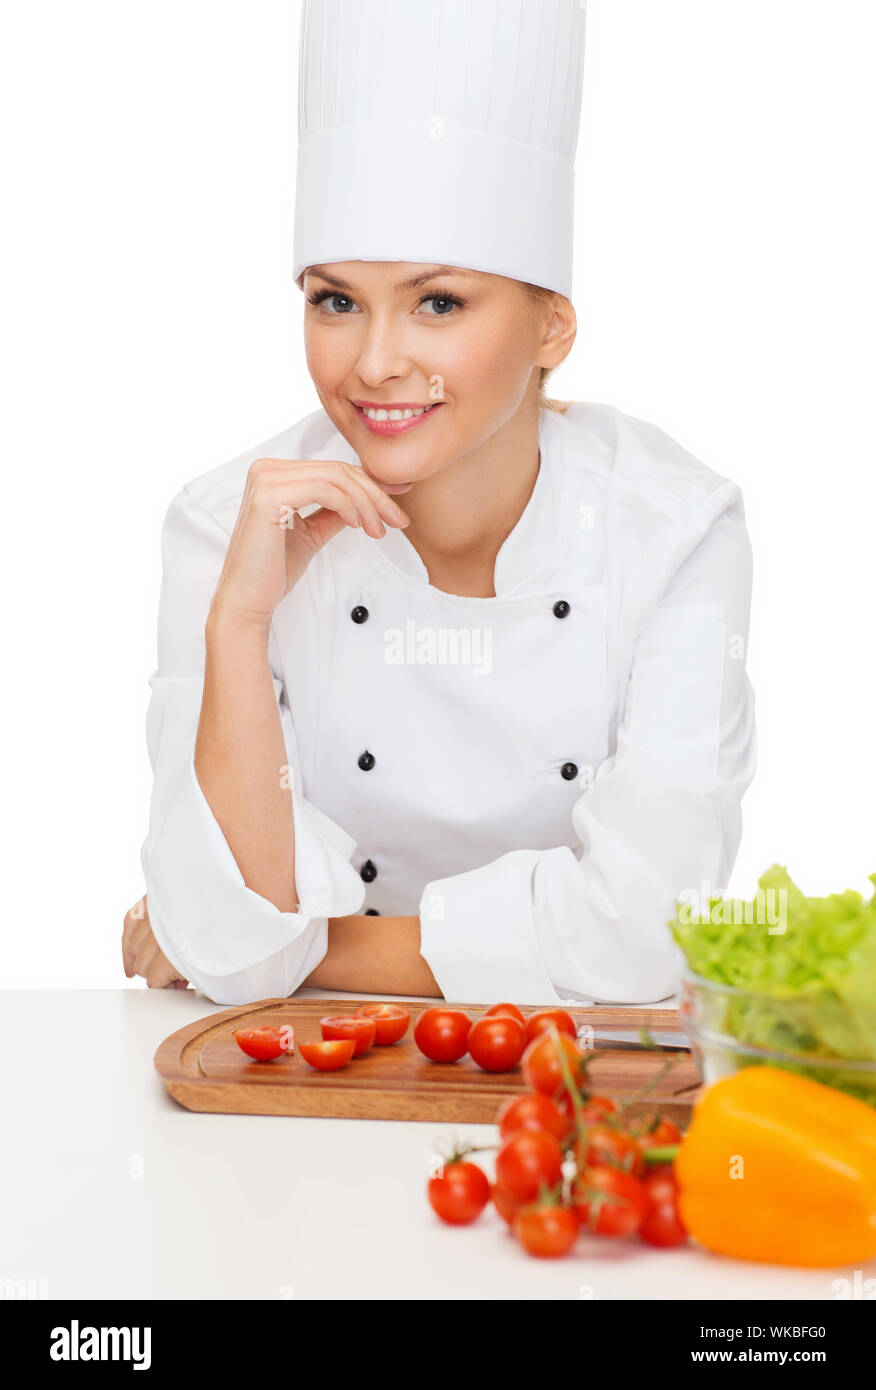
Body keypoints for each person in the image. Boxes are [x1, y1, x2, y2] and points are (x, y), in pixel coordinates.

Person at [123, 0, 756, 1006]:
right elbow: (233, 948)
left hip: (560, 1108)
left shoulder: (672, 529)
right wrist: (241, 623)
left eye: (439, 302)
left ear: (554, 326)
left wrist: (301, 949)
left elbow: (645, 939)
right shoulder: (227, 522)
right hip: (290, 1120)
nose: (374, 363)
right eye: (335, 300)